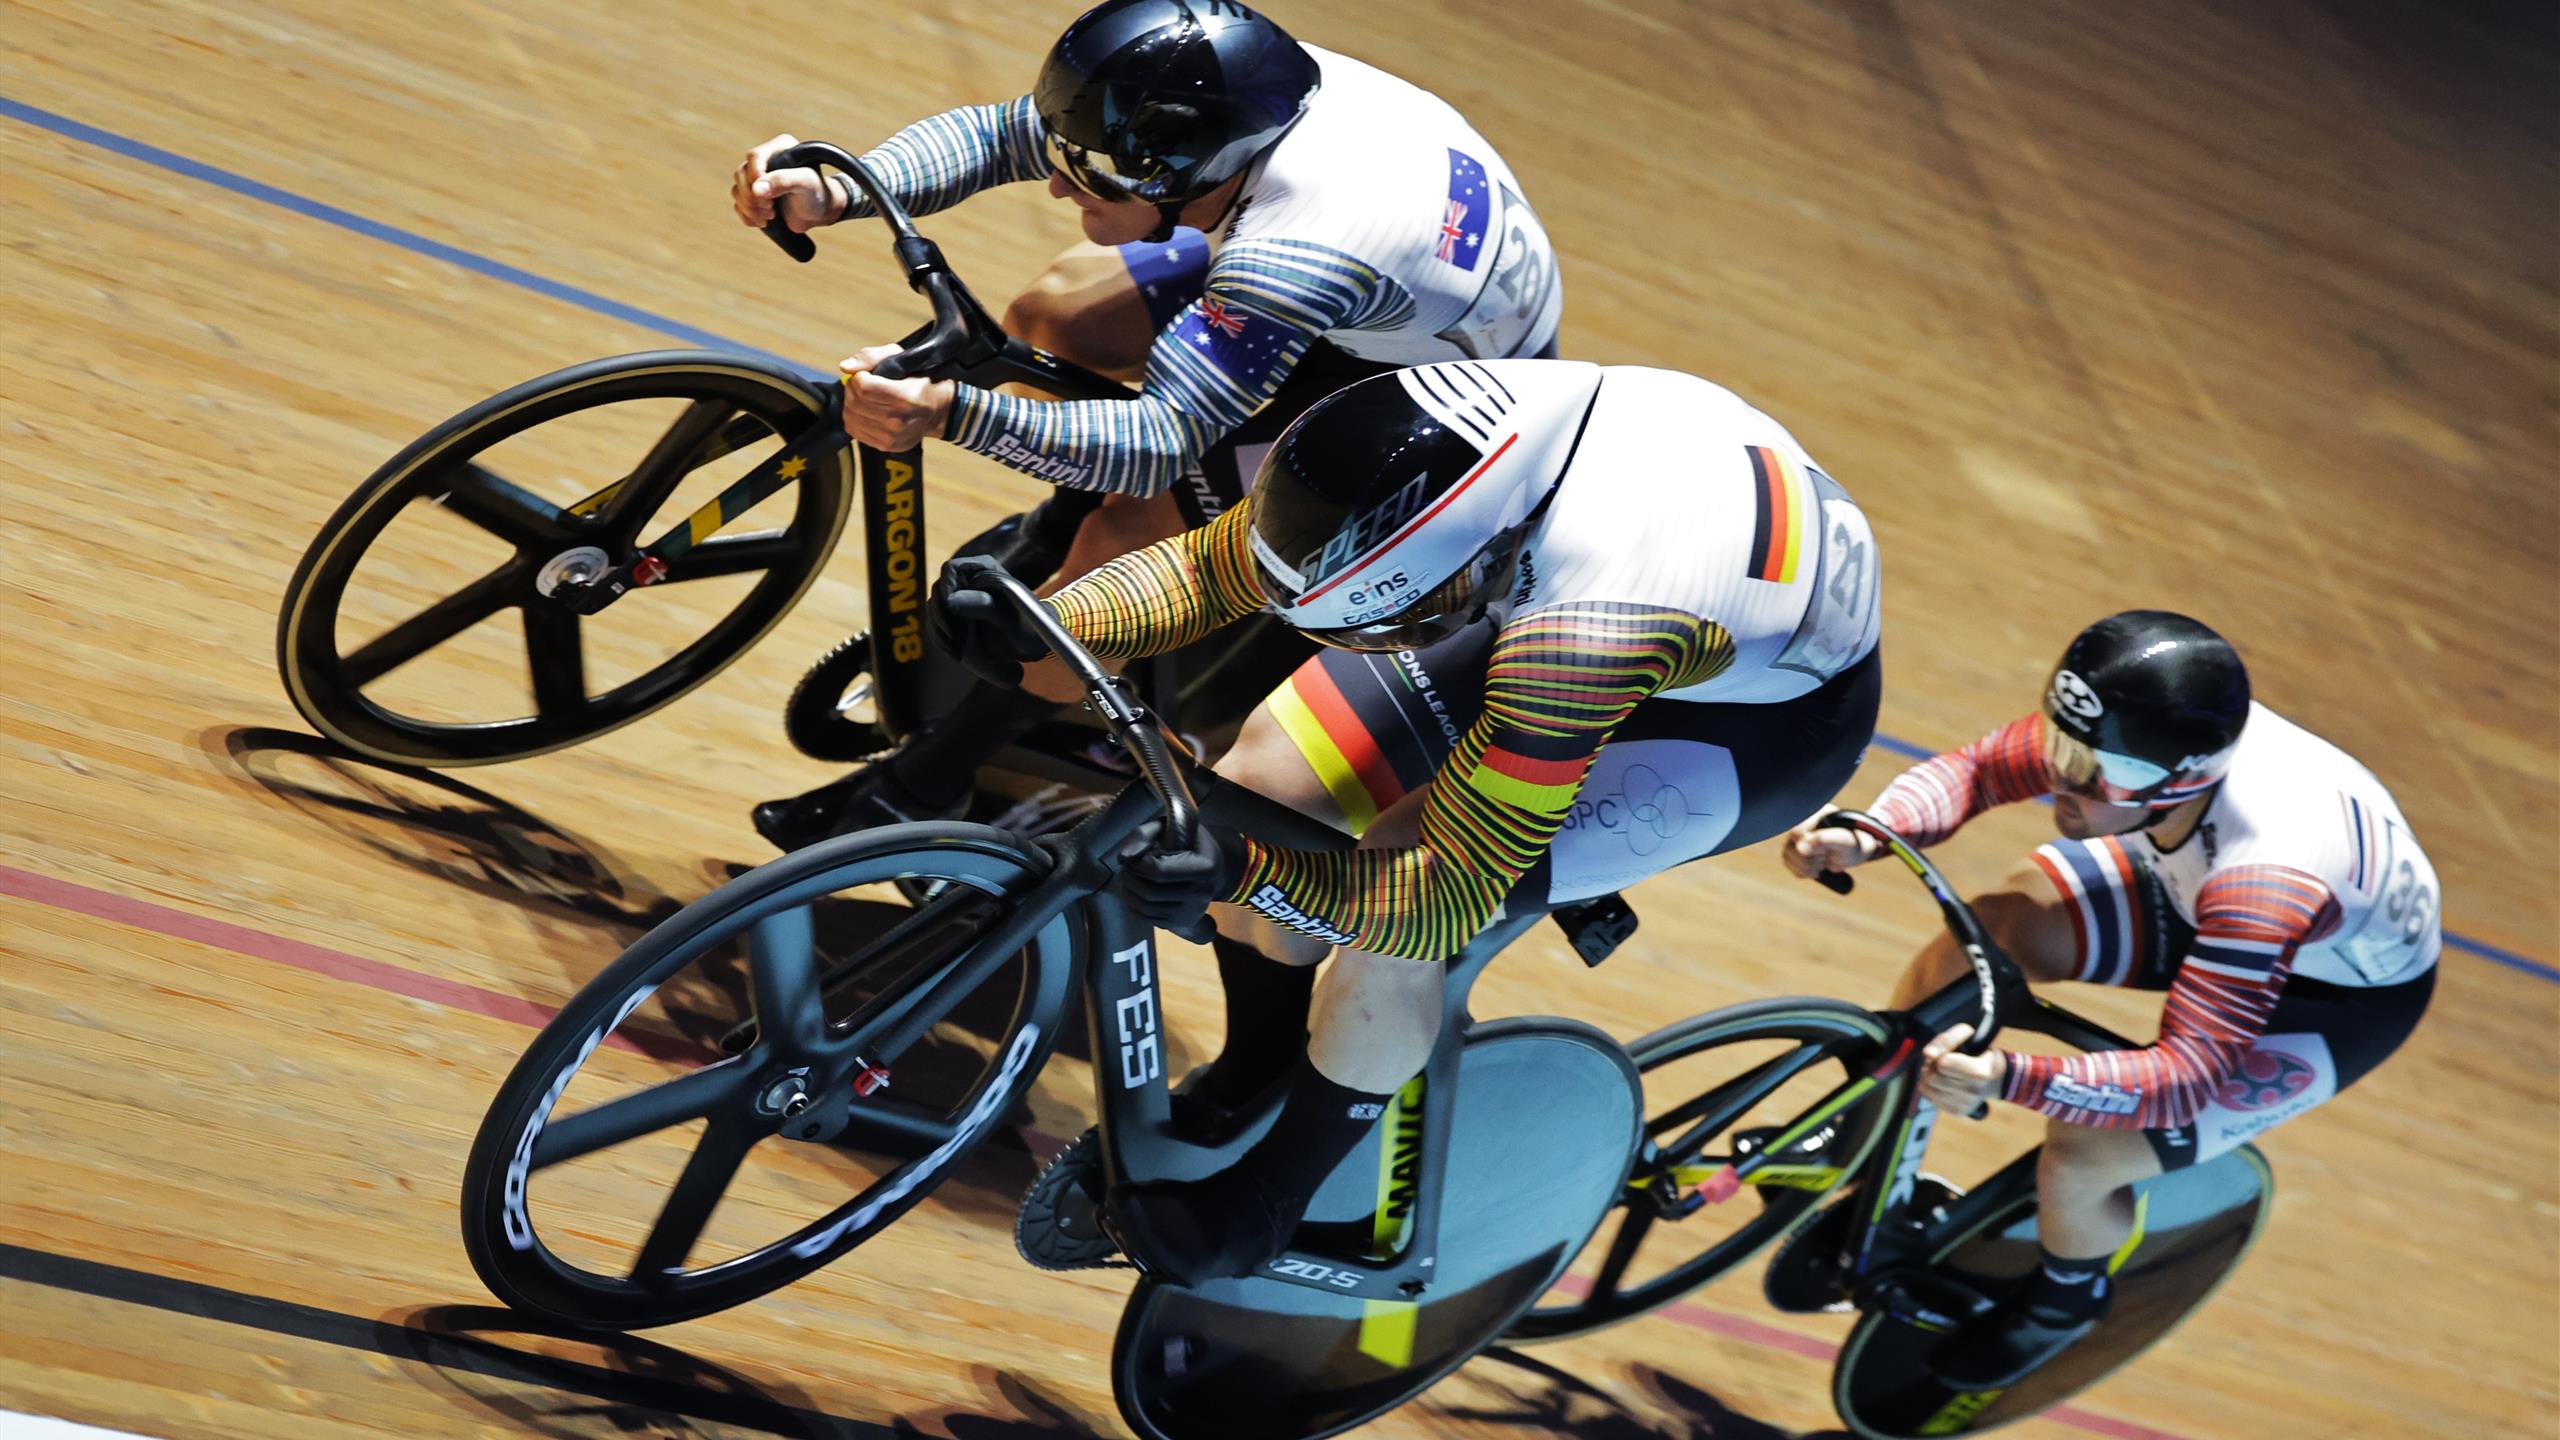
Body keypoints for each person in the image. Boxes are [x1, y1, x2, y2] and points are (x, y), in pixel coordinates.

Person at [937, 357, 1885, 1283]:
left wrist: (1246, 872)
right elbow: (1217, 569)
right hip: (1613, 565)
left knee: (1390, 878)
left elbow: (1439, 897)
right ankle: (1261, 1067)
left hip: (1754, 727)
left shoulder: (1578, 637)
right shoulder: (1419, 435)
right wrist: (1053, 620)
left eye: (1379, 626)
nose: (1362, 647)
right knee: (1264, 778)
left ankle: (1273, 1200)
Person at [730, 0, 1565, 849]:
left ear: (1188, 176)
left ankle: (923, 782)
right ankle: (1059, 531)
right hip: (1374, 288)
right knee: (1055, 315)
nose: (1059, 184)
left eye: (1092, 178)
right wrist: (840, 186)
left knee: (1118, 545)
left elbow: (1160, 443)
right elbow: (1006, 136)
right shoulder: (1219, 97)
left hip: (1423, 394)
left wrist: (954, 416)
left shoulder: (1291, 250)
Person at [1782, 611, 2439, 1387]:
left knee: (2083, 1152)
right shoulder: (2139, 735)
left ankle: (2064, 1301)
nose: (2062, 782)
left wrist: (2009, 1078)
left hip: (2329, 997)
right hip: (2199, 891)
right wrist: (1871, 830)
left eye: (2092, 774)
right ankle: (1871, 1138)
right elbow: (1982, 768)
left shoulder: (2263, 877)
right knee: (1987, 937)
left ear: (2181, 781)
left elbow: (2186, 1076)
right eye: (2064, 748)